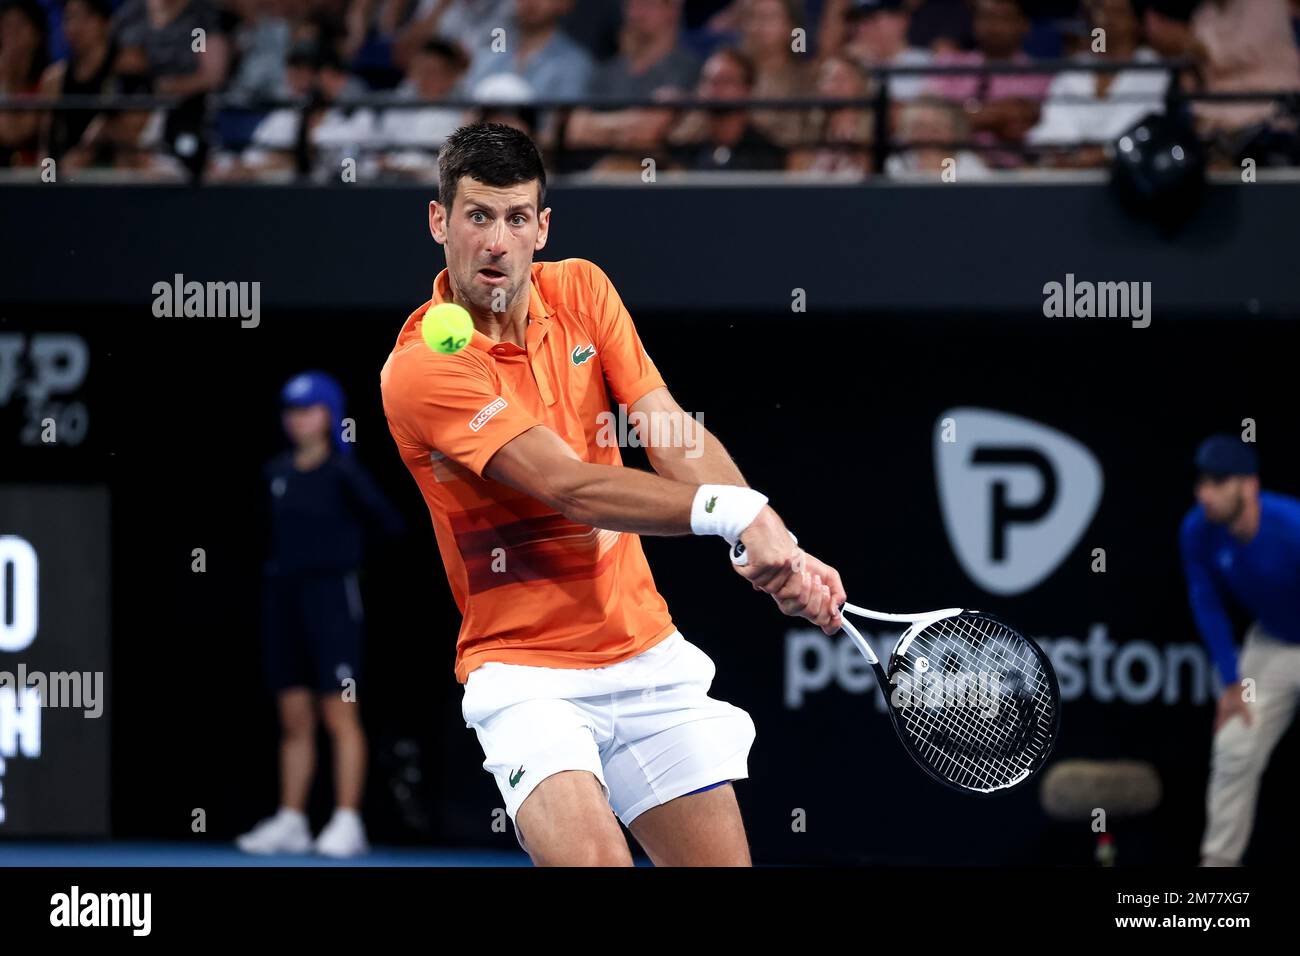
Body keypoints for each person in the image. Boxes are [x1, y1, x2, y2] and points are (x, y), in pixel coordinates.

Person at [379, 123, 844, 866]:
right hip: (527, 675)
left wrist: (773, 539)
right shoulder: (421, 370)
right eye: (477, 216)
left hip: (644, 653)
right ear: (440, 222)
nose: (497, 242)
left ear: (542, 226)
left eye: (517, 217)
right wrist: (735, 514)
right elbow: (571, 488)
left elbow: (669, 431)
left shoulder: (583, 289)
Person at [237, 371, 405, 857]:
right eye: (292, 411)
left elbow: (390, 526)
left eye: (310, 410)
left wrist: (343, 560)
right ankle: (291, 819)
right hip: (282, 599)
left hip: (333, 600)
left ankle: (347, 820)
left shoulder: (345, 473)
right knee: (293, 714)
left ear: (330, 415)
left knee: (339, 712)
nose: (300, 421)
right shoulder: (275, 474)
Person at [1178, 434, 1300, 867]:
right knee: (1234, 742)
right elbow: (1206, 602)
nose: (1203, 494)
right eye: (1201, 482)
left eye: (1217, 482)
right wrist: (1232, 680)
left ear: (1249, 486)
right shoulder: (1197, 530)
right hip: (1271, 647)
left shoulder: (1292, 527)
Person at [1027, 0, 1169, 167]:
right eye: (1102, 11)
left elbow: (1145, 127)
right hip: (1070, 169)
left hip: (1127, 172)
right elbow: (1054, 124)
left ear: (1136, 22)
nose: (1107, 19)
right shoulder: (1074, 69)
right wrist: (1073, 155)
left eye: (1117, 12)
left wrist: (1105, 153)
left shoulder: (1153, 68)